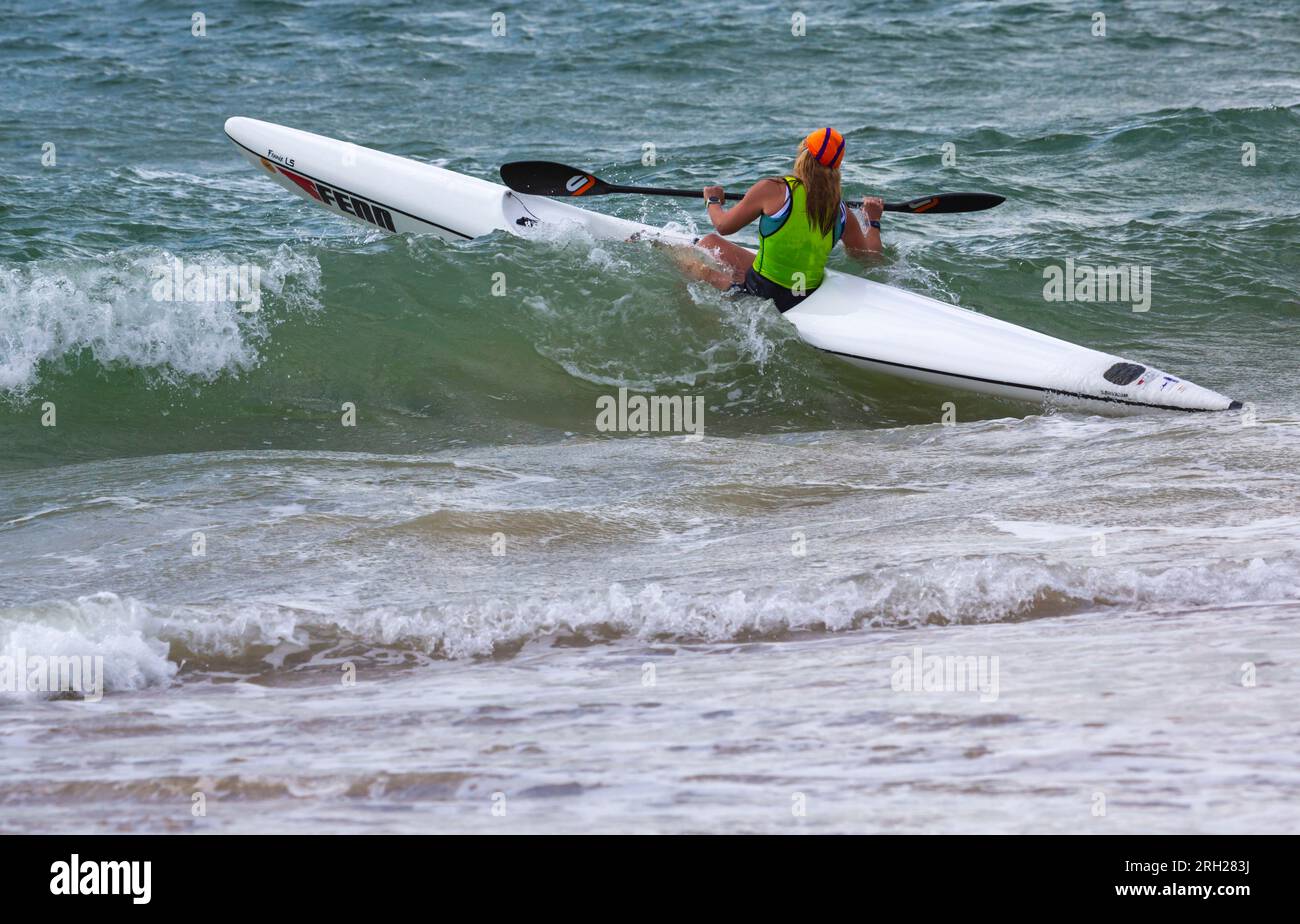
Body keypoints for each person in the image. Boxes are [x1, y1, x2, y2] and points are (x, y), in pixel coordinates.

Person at [679, 127, 883, 312]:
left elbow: (723, 226)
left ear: (803, 156)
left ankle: (700, 306)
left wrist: (712, 200)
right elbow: (868, 257)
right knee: (711, 244)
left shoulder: (774, 189)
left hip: (761, 292)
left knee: (689, 255)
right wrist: (873, 221)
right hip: (802, 294)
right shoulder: (842, 211)